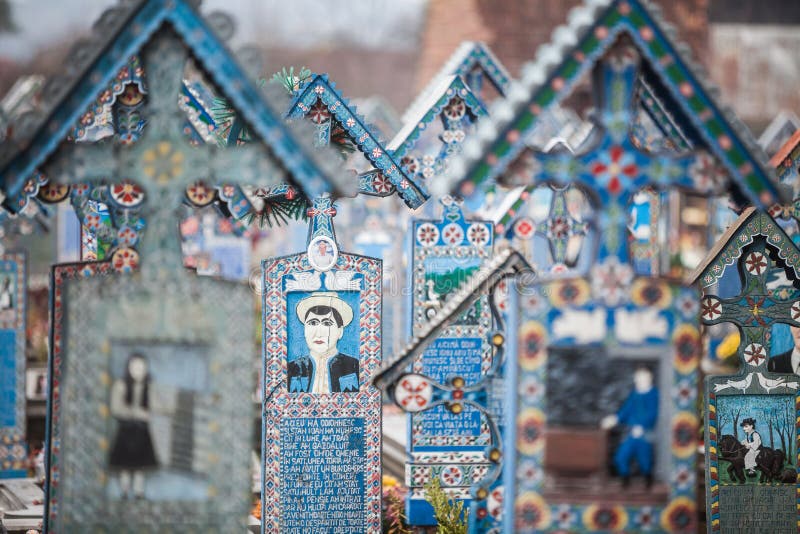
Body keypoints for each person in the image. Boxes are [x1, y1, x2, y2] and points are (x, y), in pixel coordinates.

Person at [287, 292, 359, 394]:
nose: (319, 333)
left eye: (327, 323)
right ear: (305, 329)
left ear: (340, 331)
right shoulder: (292, 368)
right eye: (313, 323)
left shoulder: (354, 366)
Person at [109, 352, 158, 499]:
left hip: (143, 431)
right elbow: (116, 408)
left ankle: (138, 492)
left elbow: (156, 407)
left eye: (142, 368)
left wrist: (153, 413)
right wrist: (136, 413)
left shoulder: (150, 386)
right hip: (126, 430)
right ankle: (124, 491)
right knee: (125, 464)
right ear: (129, 368)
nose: (139, 371)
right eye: (135, 367)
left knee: (140, 465)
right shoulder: (120, 385)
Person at [601, 367, 659, 488]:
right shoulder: (635, 394)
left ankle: (648, 482)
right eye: (637, 379)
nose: (638, 381)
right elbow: (626, 410)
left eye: (641, 379)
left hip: (644, 434)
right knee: (620, 457)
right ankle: (625, 481)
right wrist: (614, 419)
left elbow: (653, 413)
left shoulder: (654, 394)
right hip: (632, 433)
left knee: (644, 461)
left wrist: (642, 426)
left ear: (649, 379)